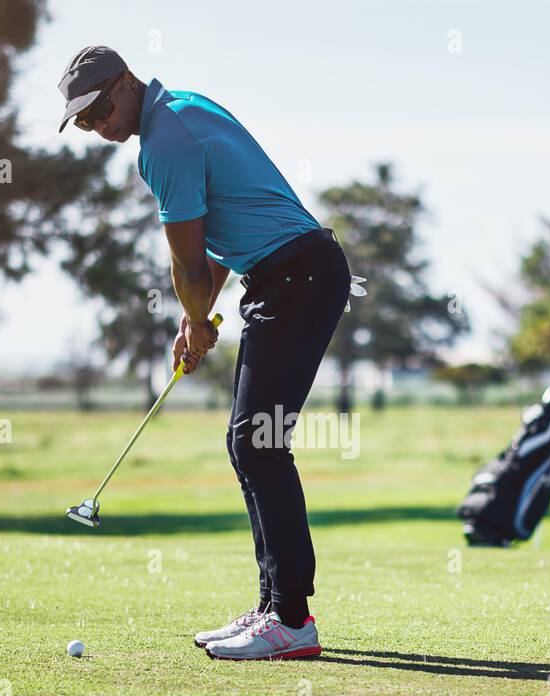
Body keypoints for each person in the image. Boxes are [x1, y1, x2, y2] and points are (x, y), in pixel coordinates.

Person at [58, 46, 353, 661]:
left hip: (297, 276)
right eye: (83, 122)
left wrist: (195, 318)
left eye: (98, 109)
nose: (96, 126)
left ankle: (292, 620)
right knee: (251, 440)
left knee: (259, 441)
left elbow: (187, 261)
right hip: (289, 276)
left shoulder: (165, 140)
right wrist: (194, 322)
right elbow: (218, 240)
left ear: (125, 82)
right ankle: (277, 606)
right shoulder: (182, 111)